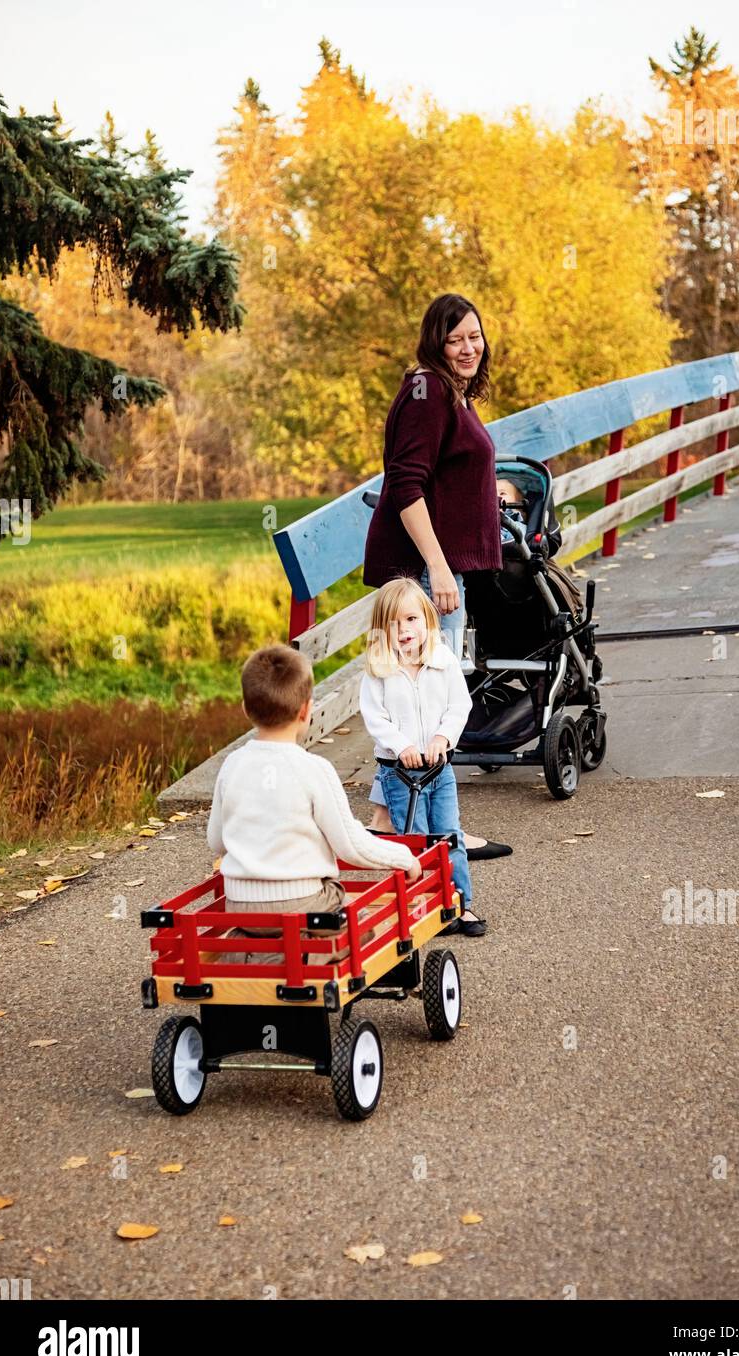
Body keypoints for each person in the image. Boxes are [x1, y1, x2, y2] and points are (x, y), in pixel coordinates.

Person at [362, 291, 511, 862]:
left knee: (417, 694)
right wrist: (441, 568)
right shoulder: (427, 392)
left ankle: (383, 819)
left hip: (434, 568)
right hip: (426, 573)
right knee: (426, 696)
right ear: (436, 343)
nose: (469, 347)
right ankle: (444, 829)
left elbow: (446, 476)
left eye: (475, 336)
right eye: (456, 339)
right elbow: (406, 485)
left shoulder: (448, 391)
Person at [207, 643, 422, 965]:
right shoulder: (312, 769)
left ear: (245, 708)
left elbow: (217, 841)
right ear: (306, 710)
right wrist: (403, 857)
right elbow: (350, 844)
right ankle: (314, 955)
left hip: (241, 907)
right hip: (302, 903)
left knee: (277, 921)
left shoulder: (232, 765)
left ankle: (253, 951)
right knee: (357, 915)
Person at [359, 577, 487, 938]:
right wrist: (402, 745)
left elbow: (459, 705)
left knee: (448, 836)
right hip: (398, 774)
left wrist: (443, 737)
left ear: (427, 621)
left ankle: (460, 901)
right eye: (394, 623)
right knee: (413, 838)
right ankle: (424, 904)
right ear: (382, 630)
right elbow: (375, 717)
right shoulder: (379, 669)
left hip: (438, 769)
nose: (404, 630)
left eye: (412, 619)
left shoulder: (441, 660)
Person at [496, 478, 529, 543]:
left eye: (502, 493)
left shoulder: (518, 527)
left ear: (518, 503)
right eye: (491, 493)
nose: (496, 496)